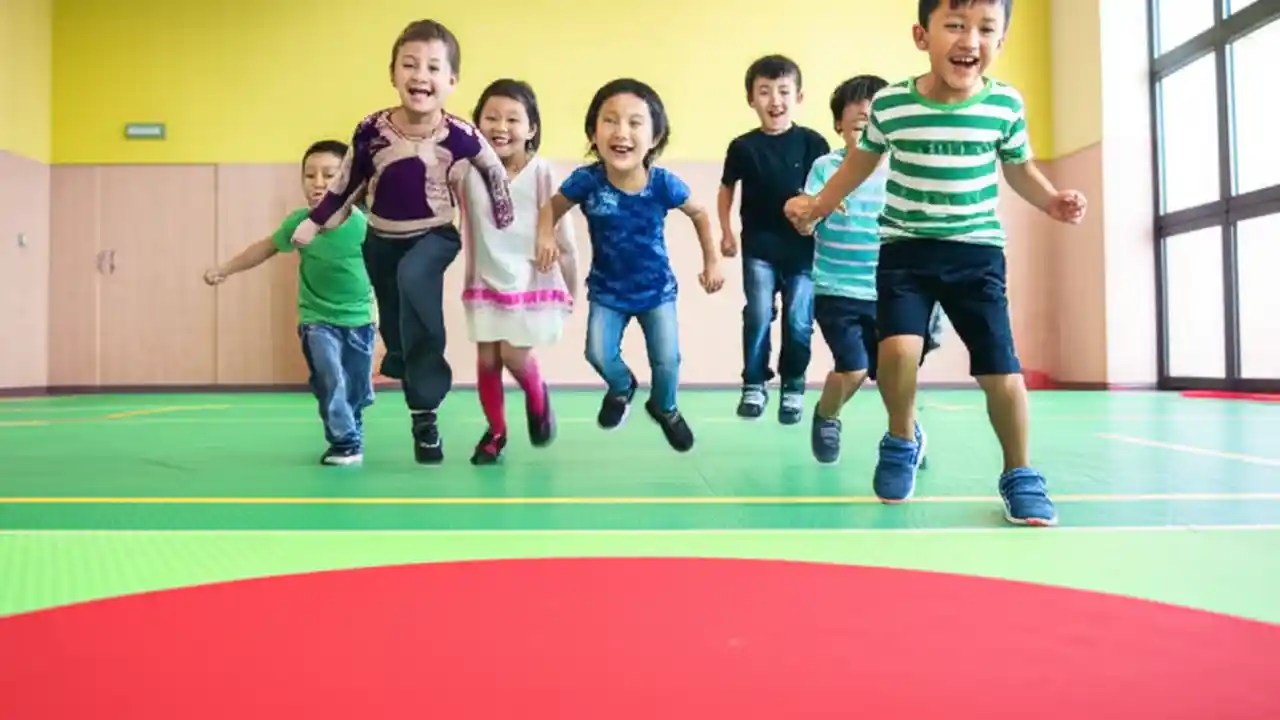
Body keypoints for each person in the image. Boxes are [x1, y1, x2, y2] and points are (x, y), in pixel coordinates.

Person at [785, 0, 1087, 526]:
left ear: (1001, 41)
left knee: (1001, 371)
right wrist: (819, 205)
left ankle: (1020, 472)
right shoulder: (892, 104)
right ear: (922, 36)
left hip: (976, 254)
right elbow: (858, 164)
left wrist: (1051, 199)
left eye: (986, 29)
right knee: (899, 350)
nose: (970, 39)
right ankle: (901, 436)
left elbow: (1018, 168)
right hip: (906, 250)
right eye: (955, 25)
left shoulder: (1005, 106)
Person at [290, 19, 514, 465]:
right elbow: (346, 182)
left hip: (434, 235)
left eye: (433, 68)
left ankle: (426, 413)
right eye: (409, 65)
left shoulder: (461, 135)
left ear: (451, 81)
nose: (420, 76)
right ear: (393, 73)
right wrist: (316, 222)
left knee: (415, 281)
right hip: (380, 240)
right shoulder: (371, 129)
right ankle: (402, 360)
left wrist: (503, 219)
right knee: (394, 324)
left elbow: (493, 171)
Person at [534, 78, 724, 452]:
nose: (622, 132)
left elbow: (700, 213)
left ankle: (665, 408)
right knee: (598, 353)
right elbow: (551, 208)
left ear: (654, 137)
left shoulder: (662, 183)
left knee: (667, 360)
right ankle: (622, 387)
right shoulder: (587, 182)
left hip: (657, 291)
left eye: (635, 123)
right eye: (610, 120)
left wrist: (712, 261)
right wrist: (544, 235)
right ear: (593, 131)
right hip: (608, 291)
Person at [802, 75, 949, 467]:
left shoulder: (902, 169)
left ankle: (906, 434)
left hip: (892, 291)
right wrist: (813, 209)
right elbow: (808, 214)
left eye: (875, 126)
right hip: (837, 289)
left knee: (893, 377)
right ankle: (827, 415)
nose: (866, 135)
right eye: (856, 126)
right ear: (838, 126)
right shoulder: (827, 167)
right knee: (853, 366)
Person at [203, 140, 374, 466]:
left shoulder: (364, 224)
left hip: (360, 319)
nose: (319, 182)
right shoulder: (298, 223)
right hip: (316, 317)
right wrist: (224, 269)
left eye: (329, 174)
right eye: (310, 175)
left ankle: (351, 429)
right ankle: (344, 442)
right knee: (329, 378)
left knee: (354, 389)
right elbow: (265, 247)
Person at [461, 78, 579, 465]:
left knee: (513, 356)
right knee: (487, 360)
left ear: (531, 129)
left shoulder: (544, 174)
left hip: (530, 282)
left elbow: (566, 242)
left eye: (513, 119)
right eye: (491, 118)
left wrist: (571, 291)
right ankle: (496, 432)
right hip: (485, 279)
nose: (501, 127)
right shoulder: (467, 173)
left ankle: (537, 393)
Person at [718, 54, 831, 424]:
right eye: (764, 92)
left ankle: (794, 386)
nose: (774, 101)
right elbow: (726, 189)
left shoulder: (813, 142)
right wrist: (726, 230)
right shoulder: (742, 146)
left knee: (799, 321)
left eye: (783, 91)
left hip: (803, 251)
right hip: (759, 249)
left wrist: (819, 222)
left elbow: (829, 192)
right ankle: (754, 383)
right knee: (757, 314)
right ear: (751, 98)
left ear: (799, 96)